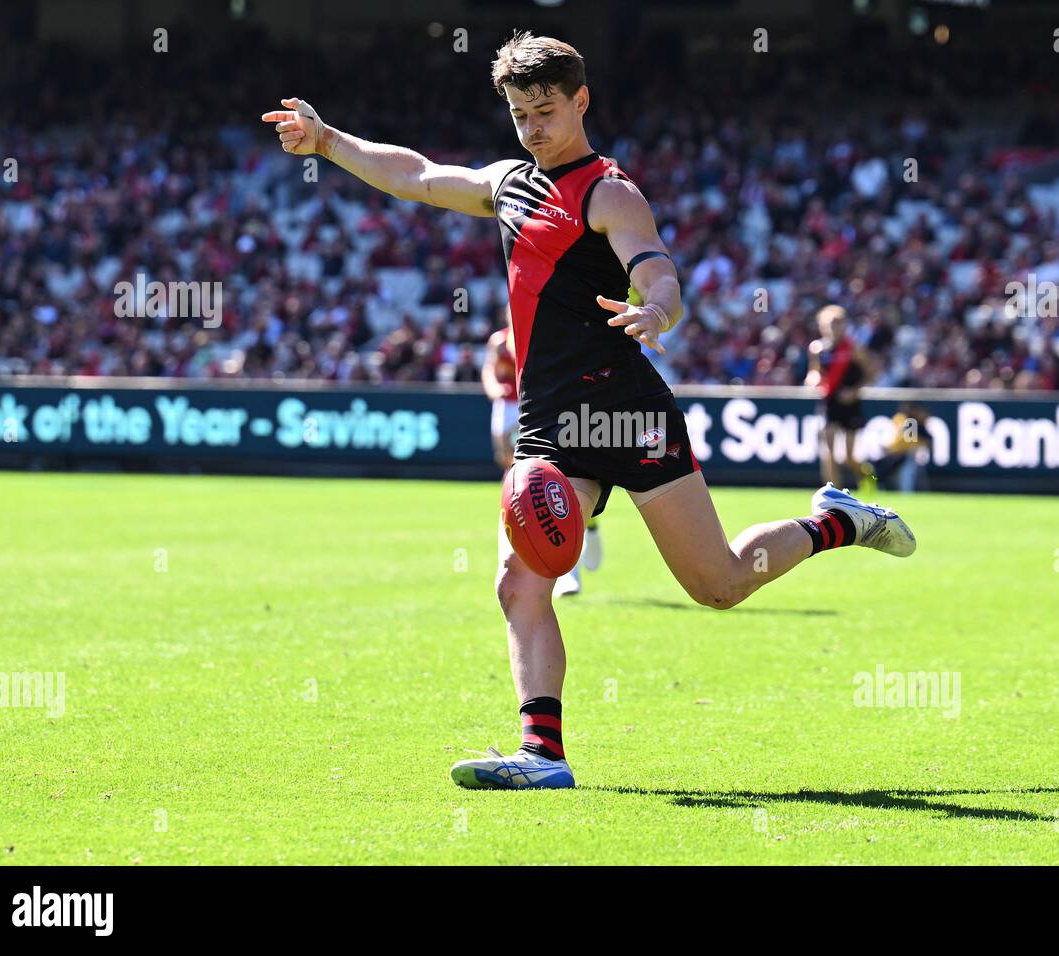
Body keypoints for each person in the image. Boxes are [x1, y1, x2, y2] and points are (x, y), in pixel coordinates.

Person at [262, 30, 915, 791]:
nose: (533, 127)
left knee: (719, 585)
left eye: (546, 110)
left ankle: (836, 519)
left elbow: (656, 266)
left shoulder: (610, 191)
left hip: (626, 412)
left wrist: (657, 312)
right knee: (518, 579)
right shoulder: (508, 184)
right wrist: (329, 140)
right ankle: (544, 756)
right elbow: (420, 176)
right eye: (518, 113)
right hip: (548, 422)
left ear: (581, 100)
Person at [482, 317, 598, 596]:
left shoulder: (543, 332)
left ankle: (575, 554)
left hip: (540, 406)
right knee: (511, 465)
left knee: (553, 473)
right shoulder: (500, 340)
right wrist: (493, 389)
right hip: (509, 405)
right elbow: (489, 370)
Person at [806, 305, 873, 489]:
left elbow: (871, 373)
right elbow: (814, 372)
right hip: (830, 402)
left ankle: (870, 479)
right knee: (828, 451)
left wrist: (854, 391)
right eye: (830, 323)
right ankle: (833, 494)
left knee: (850, 456)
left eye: (838, 323)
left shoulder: (854, 349)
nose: (834, 327)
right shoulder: (818, 349)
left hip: (851, 404)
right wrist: (813, 380)